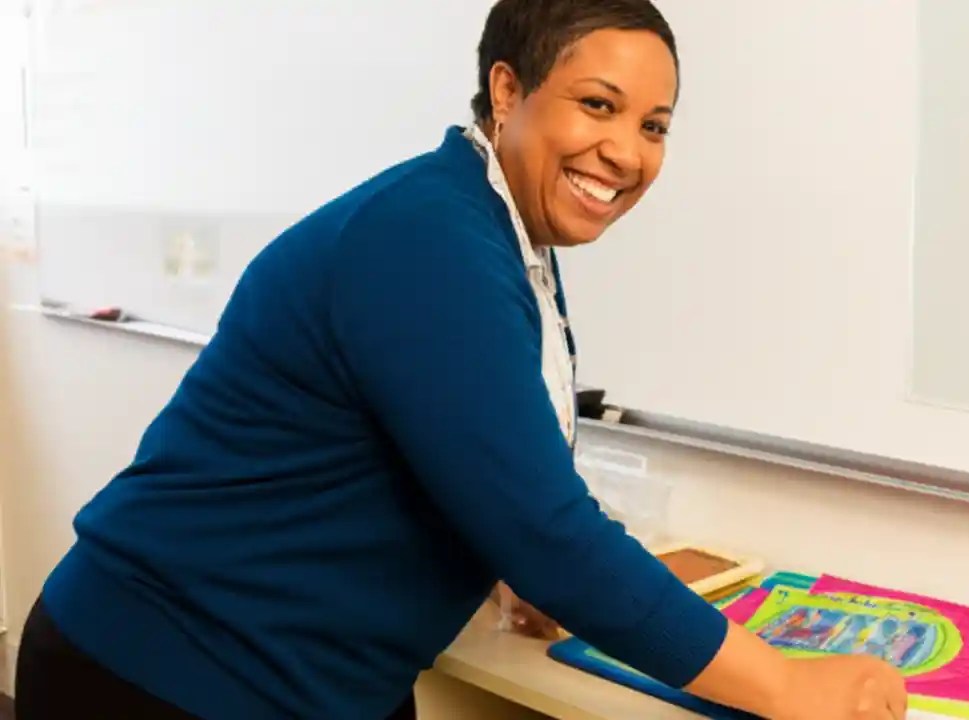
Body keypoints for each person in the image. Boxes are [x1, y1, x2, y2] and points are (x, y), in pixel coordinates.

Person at [14, 1, 909, 718]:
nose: (628, 153)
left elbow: (478, 468)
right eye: (598, 106)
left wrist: (522, 567)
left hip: (307, 675)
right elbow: (548, 532)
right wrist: (791, 689)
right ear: (508, 90)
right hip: (168, 672)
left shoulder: (501, 233)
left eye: (655, 126)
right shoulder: (430, 239)